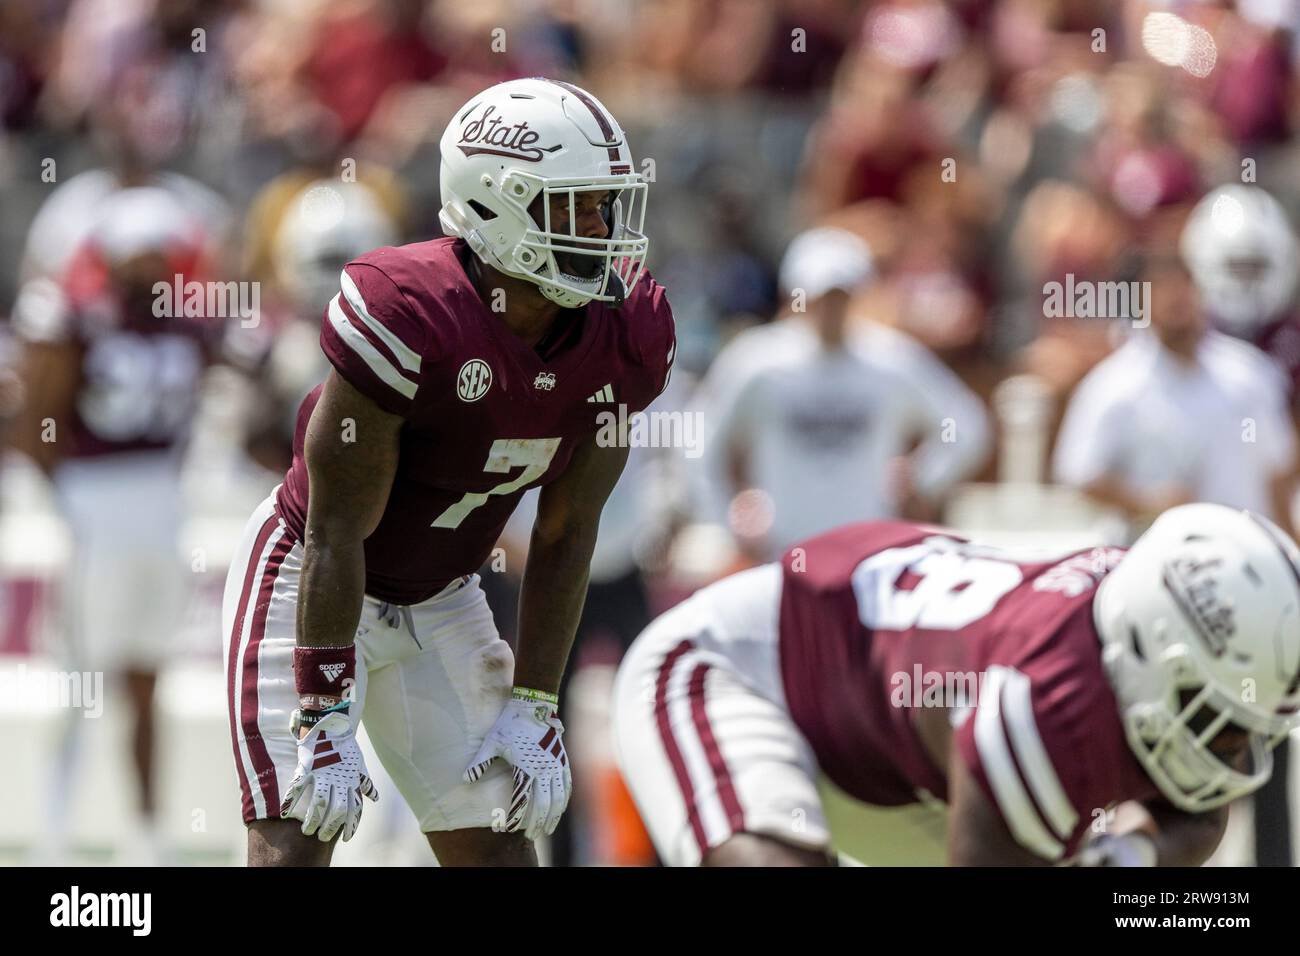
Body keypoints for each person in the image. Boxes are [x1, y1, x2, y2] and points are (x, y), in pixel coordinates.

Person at [222, 77, 675, 867]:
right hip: (313, 578)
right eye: (575, 207)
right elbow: (336, 527)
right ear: (498, 206)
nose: (602, 228)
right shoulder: (409, 310)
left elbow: (570, 531)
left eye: (606, 202)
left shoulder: (625, 334)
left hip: (441, 595)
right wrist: (324, 705)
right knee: (297, 841)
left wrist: (537, 702)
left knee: (499, 851)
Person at [612, 504, 1300, 866]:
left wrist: (1131, 856)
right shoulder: (1048, 704)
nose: (1235, 746)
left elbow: (1200, 810)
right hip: (747, 668)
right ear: (1154, 650)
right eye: (1218, 715)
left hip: (910, 764)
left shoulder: (1134, 640)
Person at [9, 187, 219, 863]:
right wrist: (61, 496)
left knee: (142, 678)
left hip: (152, 508)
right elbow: (34, 428)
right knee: (79, 677)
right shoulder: (80, 324)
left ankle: (143, 831)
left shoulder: (185, 328)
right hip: (100, 506)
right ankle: (56, 828)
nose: (152, 270)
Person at [695, 227, 990, 559]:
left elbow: (966, 425)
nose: (831, 309)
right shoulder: (758, 362)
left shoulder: (890, 360)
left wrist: (922, 480)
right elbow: (700, 439)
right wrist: (725, 521)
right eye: (823, 297)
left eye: (841, 296)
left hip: (870, 550)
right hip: (782, 551)